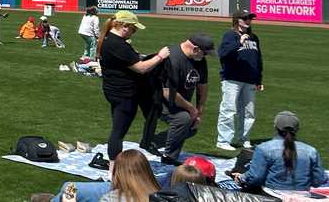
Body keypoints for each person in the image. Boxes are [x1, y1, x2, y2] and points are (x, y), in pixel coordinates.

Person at [99, 11, 170, 162]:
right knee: (118, 132)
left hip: (114, 90)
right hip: (124, 93)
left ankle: (115, 166)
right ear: (124, 26)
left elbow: (128, 61)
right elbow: (141, 68)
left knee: (118, 128)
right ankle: (115, 168)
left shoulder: (109, 39)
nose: (134, 32)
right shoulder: (117, 44)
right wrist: (160, 56)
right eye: (133, 29)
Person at [234, 111, 327, 192]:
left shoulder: (264, 148)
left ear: (275, 127)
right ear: (297, 129)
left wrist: (241, 178)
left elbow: (256, 177)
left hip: (271, 196)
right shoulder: (310, 151)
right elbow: (319, 180)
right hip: (302, 197)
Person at [157, 33, 212, 164]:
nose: (206, 57)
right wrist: (191, 109)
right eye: (205, 53)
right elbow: (167, 91)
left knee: (192, 126)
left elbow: (202, 86)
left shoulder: (199, 60)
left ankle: (153, 141)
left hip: (179, 103)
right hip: (159, 101)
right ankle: (169, 157)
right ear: (196, 49)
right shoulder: (173, 59)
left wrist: (199, 111)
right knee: (183, 119)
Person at [217, 10, 263, 150]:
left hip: (249, 79)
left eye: (250, 18)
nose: (249, 20)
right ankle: (223, 140)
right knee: (229, 110)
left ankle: (244, 139)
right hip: (232, 79)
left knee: (249, 112)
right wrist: (239, 42)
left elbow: (258, 59)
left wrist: (259, 79)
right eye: (245, 18)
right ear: (237, 20)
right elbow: (222, 54)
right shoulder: (229, 35)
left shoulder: (254, 37)